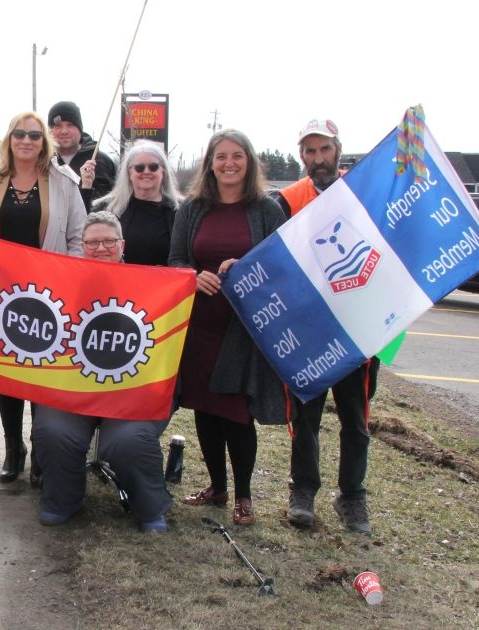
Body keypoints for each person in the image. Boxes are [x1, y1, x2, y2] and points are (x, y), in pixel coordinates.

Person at [274, 118, 479, 535]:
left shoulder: (369, 187)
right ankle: (303, 490)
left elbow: (420, 218)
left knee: (355, 419)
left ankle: (352, 496)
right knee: (305, 417)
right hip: (311, 330)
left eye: (324, 149)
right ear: (301, 156)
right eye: (310, 151)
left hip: (362, 326)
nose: (318, 158)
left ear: (337, 150)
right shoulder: (287, 200)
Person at [168, 129, 289, 526]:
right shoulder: (192, 208)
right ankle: (217, 487)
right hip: (200, 325)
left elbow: (283, 265)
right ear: (210, 164)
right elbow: (176, 259)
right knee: (205, 407)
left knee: (236, 411)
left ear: (249, 162)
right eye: (221, 156)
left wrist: (247, 267)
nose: (229, 163)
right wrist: (191, 276)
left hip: (244, 327)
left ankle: (244, 495)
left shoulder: (267, 209)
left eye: (237, 155)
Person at [29, 211, 173, 530]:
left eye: (108, 241)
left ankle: (149, 507)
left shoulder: (152, 282)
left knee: (129, 440)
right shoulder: (63, 283)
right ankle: (63, 499)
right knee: (53, 430)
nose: (101, 248)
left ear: (122, 245)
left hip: (133, 391)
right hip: (75, 388)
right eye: (92, 242)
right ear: (81, 246)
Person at [0, 111, 86, 485]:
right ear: (9, 138)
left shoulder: (64, 181)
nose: (26, 141)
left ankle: (40, 452)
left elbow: (78, 237)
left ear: (43, 141)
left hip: (50, 294)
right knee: (8, 372)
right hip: (0, 293)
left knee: (40, 371)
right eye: (19, 134)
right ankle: (13, 448)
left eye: (34, 135)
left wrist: (67, 279)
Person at [91, 139, 179, 266]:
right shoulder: (105, 208)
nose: (146, 171)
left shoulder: (180, 211)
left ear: (163, 171)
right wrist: (86, 188)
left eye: (153, 167)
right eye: (139, 168)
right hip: (118, 278)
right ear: (129, 173)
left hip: (166, 278)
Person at [48, 100, 117, 211]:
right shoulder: (42, 162)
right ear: (50, 131)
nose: (64, 131)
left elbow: (113, 203)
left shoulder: (102, 162)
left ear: (80, 129)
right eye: (58, 126)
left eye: (70, 125)